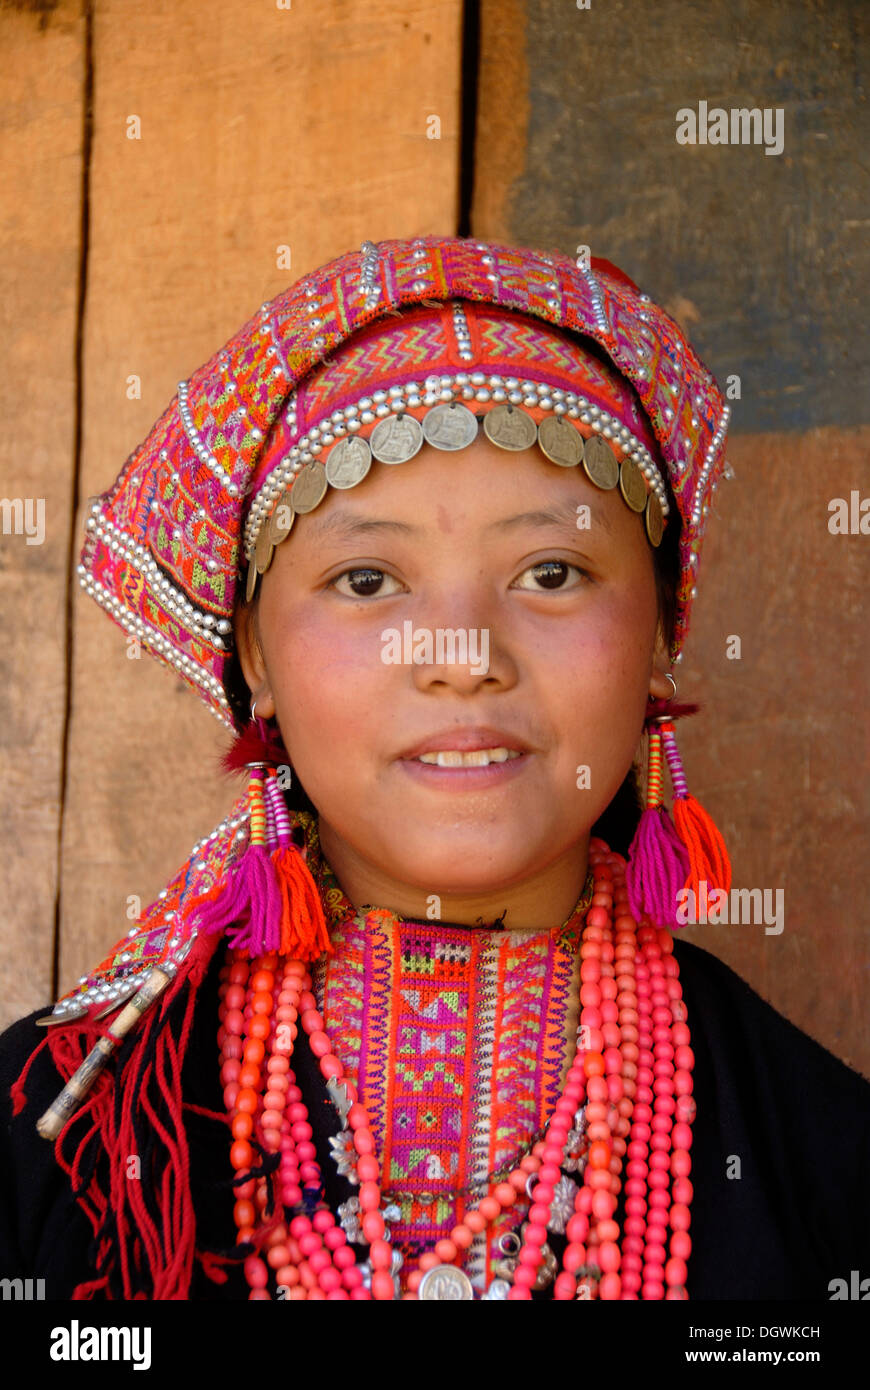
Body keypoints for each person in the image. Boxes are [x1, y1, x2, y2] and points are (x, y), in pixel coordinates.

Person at [1, 234, 868, 1302]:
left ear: (658, 634)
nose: (463, 656)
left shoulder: (824, 1161)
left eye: (551, 571)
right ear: (255, 658)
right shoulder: (62, 1134)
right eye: (368, 580)